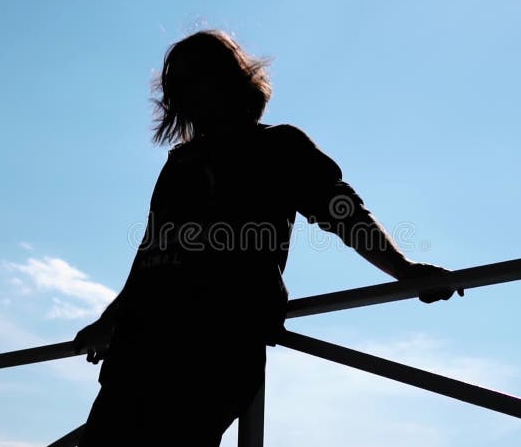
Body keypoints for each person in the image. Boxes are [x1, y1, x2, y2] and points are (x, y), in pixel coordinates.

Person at [72, 29, 464, 446]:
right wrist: (112, 318)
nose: (186, 94)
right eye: (178, 85)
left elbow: (342, 211)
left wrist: (402, 269)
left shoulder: (279, 146)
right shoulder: (180, 164)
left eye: (196, 78)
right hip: (141, 350)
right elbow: (152, 253)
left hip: (216, 346)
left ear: (229, 79)